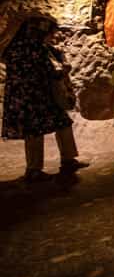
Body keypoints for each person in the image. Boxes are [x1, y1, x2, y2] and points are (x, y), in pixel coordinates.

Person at [1, 15, 88, 182]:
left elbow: (54, 54)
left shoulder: (24, 46)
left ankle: (64, 161)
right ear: (39, 31)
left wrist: (60, 59)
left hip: (33, 97)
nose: (52, 37)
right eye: (50, 33)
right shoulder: (30, 48)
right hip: (32, 98)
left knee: (60, 123)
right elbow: (44, 72)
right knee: (35, 131)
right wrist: (62, 73)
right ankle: (35, 170)